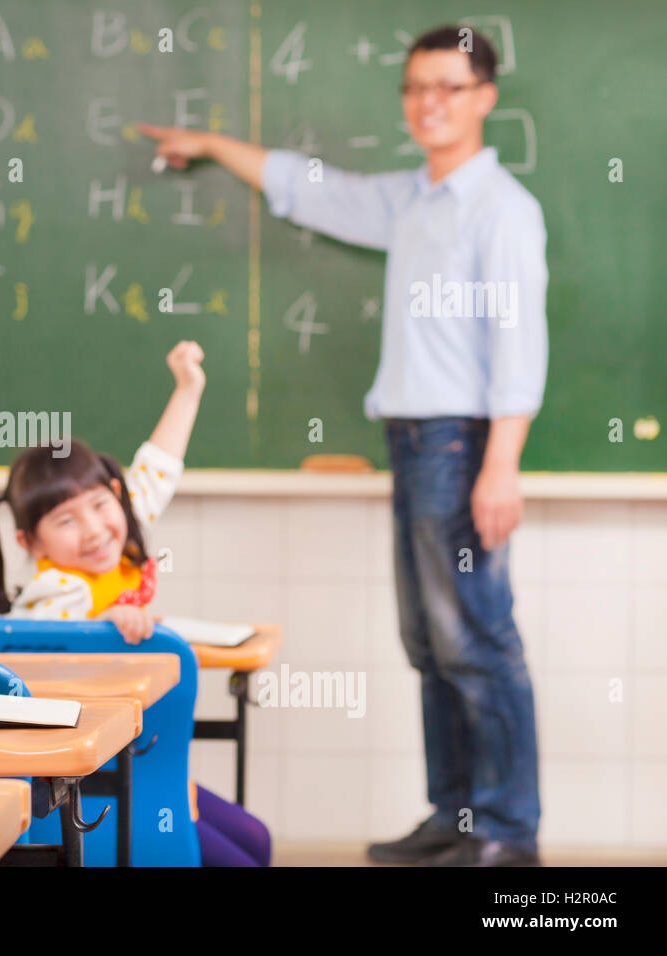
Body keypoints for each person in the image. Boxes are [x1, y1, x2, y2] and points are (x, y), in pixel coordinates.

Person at [141, 25, 547, 867]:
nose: (429, 104)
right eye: (415, 89)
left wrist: (501, 463)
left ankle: (508, 833)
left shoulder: (500, 210)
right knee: (430, 642)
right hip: (414, 443)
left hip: (463, 443)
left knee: (476, 638)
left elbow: (520, 344)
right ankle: (456, 817)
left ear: (486, 98)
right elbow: (313, 189)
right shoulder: (413, 200)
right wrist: (214, 143)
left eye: (450, 87)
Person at [0, 342, 273, 867]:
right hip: (94, 785)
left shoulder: (123, 533)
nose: (93, 530)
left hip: (146, 769)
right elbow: (43, 656)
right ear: (32, 544)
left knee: (258, 840)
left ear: (117, 494)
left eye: (99, 505)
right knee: (245, 858)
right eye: (66, 521)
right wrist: (103, 629)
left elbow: (159, 465)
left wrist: (188, 388)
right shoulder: (59, 591)